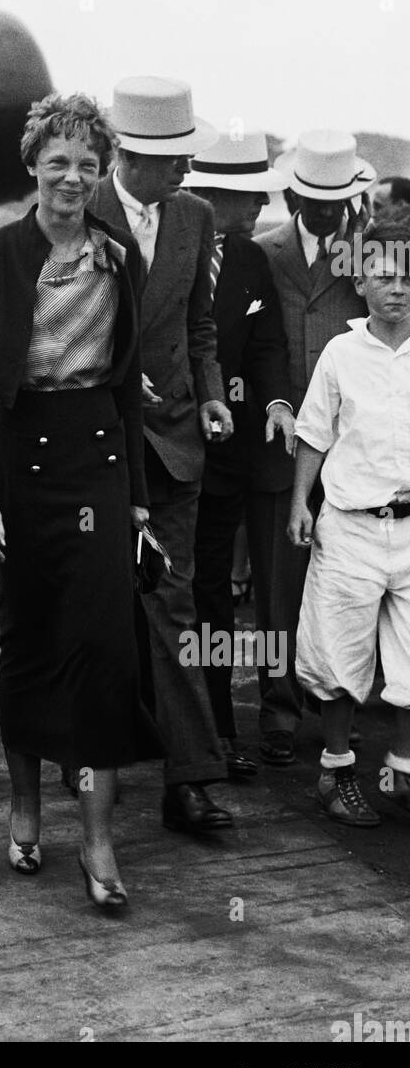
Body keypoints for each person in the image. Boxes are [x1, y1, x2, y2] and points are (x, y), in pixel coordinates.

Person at [0, 91, 162, 911]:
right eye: (58, 161)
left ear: (102, 171)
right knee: (31, 643)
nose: (71, 176)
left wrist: (139, 504)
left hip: (101, 463)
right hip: (22, 464)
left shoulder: (119, 257)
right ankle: (26, 802)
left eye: (87, 163)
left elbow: (129, 391)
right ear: (32, 165)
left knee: (107, 650)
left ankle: (100, 843)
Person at [96, 77, 235, 834]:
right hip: (100, 450)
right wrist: (115, 379)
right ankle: (87, 763)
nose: (185, 171)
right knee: (97, 611)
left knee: (174, 608)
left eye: (187, 158)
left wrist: (210, 391)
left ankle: (190, 780)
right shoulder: (75, 212)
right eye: (172, 160)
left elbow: (200, 323)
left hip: (177, 445)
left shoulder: (196, 216)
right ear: (128, 155)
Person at [252, 130, 375, 765]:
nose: (324, 213)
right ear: (294, 195)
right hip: (284, 444)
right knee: (279, 581)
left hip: (351, 446)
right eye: (314, 201)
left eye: (337, 202)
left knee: (347, 583)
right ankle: (277, 707)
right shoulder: (265, 254)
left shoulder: (363, 258)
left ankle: (340, 712)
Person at [288, 218, 410, 827]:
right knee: (340, 659)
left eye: (409, 276)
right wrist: (298, 504)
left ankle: (402, 770)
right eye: (385, 275)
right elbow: (313, 433)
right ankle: (336, 773)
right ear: (360, 280)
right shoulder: (341, 351)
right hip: (350, 526)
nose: (399, 288)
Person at [185, 130, 295, 778]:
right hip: (161, 453)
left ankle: (219, 728)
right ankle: (153, 720)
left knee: (213, 594)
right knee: (155, 588)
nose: (257, 210)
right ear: (210, 193)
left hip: (225, 458)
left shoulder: (252, 262)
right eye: (246, 198)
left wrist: (277, 404)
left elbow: (267, 347)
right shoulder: (166, 249)